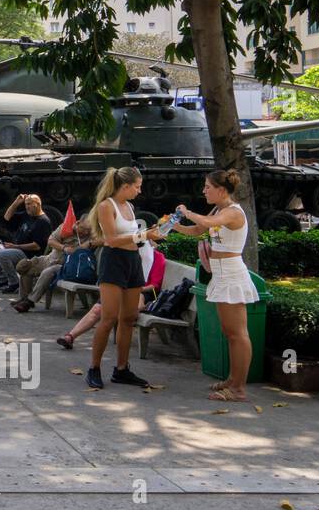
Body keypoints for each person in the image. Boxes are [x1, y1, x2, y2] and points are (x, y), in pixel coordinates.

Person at [170, 169, 257, 402]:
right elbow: (199, 230)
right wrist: (172, 226)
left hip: (232, 275)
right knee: (230, 333)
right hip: (221, 276)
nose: (204, 190)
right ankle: (232, 379)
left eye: (207, 186)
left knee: (238, 334)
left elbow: (208, 223)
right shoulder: (219, 209)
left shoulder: (232, 212)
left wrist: (187, 212)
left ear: (221, 190)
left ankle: (239, 389)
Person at [84, 167, 164, 388]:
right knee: (108, 317)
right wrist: (144, 234)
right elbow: (111, 239)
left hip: (132, 261)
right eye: (137, 186)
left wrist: (151, 236)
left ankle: (121, 369)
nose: (139, 191)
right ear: (125, 186)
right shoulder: (105, 206)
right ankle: (94, 367)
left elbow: (133, 240)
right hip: (113, 262)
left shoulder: (128, 206)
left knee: (128, 318)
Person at [57, 245, 166, 349]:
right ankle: (70, 337)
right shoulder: (126, 253)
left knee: (132, 308)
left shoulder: (158, 257)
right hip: (120, 289)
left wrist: (136, 289)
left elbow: (154, 285)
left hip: (143, 292)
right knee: (97, 309)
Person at [12, 219, 95, 312]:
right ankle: (24, 299)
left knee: (48, 272)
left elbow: (99, 241)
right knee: (25, 267)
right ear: (77, 223)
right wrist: (63, 247)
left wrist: (88, 243)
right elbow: (51, 241)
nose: (85, 232)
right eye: (83, 229)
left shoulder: (91, 236)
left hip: (64, 266)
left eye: (88, 230)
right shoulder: (65, 227)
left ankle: (29, 301)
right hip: (50, 258)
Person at [0, 193, 53, 294]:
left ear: (37, 204)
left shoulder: (43, 222)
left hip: (29, 254)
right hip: (16, 247)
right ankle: (2, 279)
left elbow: (37, 246)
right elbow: (6, 218)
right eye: (26, 204)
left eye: (29, 204)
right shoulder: (26, 215)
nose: (27, 207)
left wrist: (15, 246)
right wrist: (16, 203)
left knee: (2, 254)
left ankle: (14, 283)